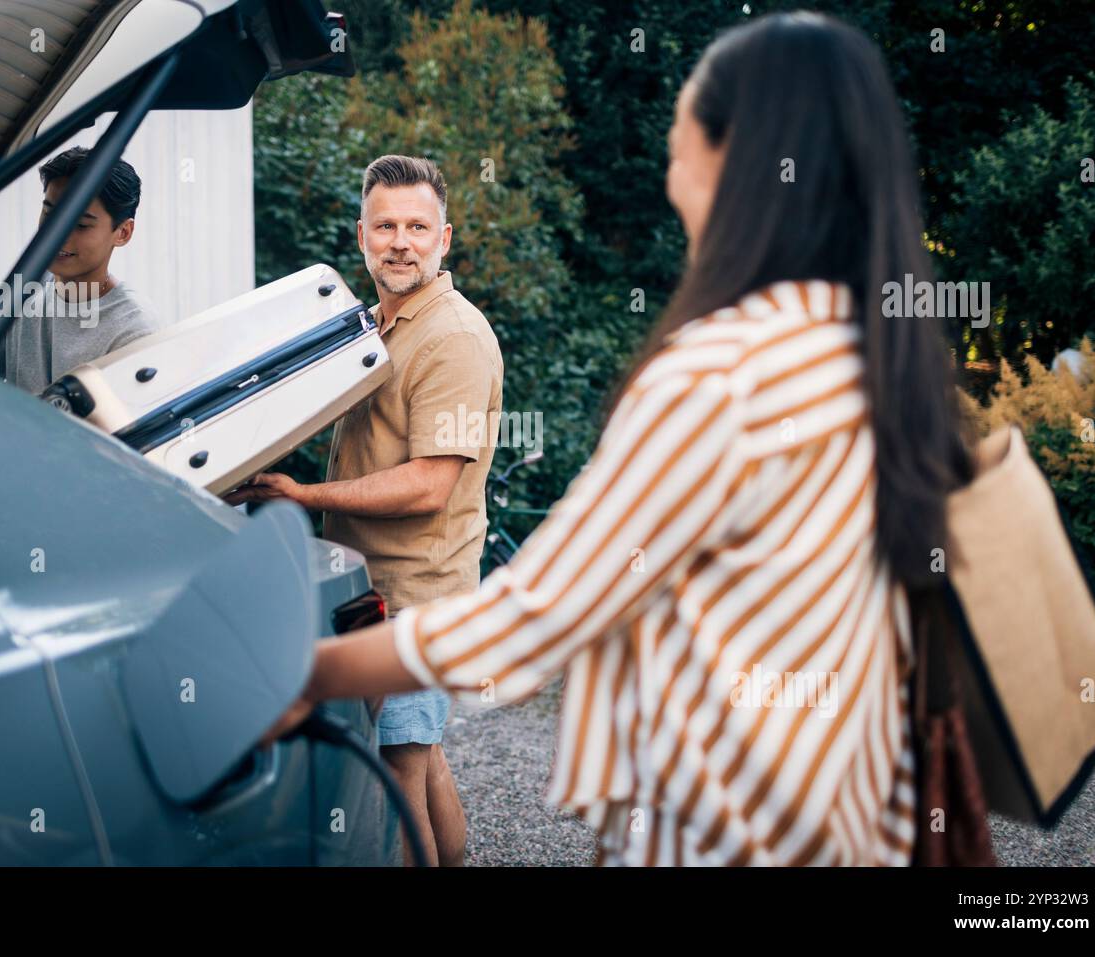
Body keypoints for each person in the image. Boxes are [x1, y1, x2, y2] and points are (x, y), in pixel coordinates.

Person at [259, 12, 974, 866]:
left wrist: (311, 675)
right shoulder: (870, 358)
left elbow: (540, 609)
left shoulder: (715, 374)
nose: (669, 171)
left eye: (679, 140)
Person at [227, 156, 503, 867]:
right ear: (361, 236)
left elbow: (427, 485)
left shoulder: (453, 337)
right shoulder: (380, 324)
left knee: (395, 772)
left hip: (418, 595)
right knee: (422, 753)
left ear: (446, 239)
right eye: (386, 225)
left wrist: (304, 495)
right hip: (374, 590)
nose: (401, 240)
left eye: (418, 226)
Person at [1, 146, 158, 392]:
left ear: (123, 232)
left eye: (80, 224)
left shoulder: (133, 329)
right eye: (49, 214)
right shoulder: (26, 288)